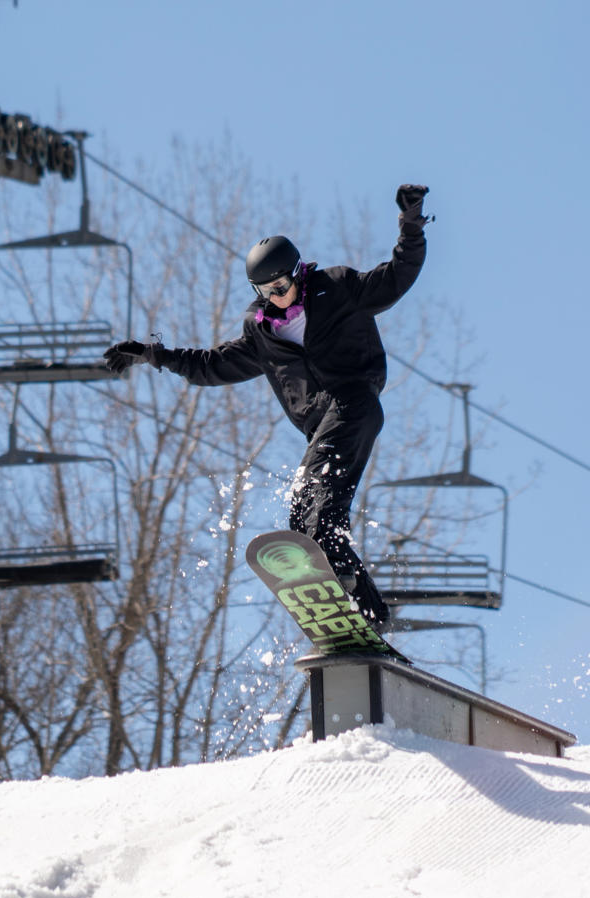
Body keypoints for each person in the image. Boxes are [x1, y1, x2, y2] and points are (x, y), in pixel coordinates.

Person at [104, 183, 430, 629]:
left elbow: (397, 276)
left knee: (321, 508)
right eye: (265, 291)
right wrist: (151, 354)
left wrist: (410, 225)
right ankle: (370, 614)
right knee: (302, 518)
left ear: (297, 273)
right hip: (322, 427)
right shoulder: (261, 332)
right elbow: (211, 365)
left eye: (281, 286)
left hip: (355, 404)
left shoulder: (338, 288)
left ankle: (350, 589)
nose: (276, 297)